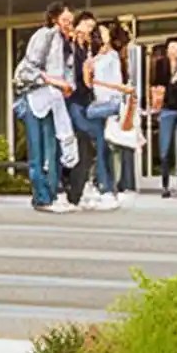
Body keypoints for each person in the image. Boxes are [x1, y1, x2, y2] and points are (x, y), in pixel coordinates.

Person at [13, 2, 79, 213]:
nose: (69, 24)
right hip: (36, 99)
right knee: (38, 153)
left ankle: (51, 195)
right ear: (54, 19)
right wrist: (56, 82)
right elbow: (29, 69)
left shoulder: (67, 42)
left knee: (53, 150)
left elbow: (68, 74)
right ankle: (42, 198)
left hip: (54, 102)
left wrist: (68, 86)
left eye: (71, 21)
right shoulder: (45, 36)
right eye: (65, 20)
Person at [67, 11, 116, 210]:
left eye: (91, 27)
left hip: (87, 102)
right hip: (75, 102)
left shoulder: (88, 49)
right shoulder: (71, 47)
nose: (89, 30)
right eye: (86, 25)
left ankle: (84, 189)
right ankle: (98, 187)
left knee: (89, 145)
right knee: (93, 138)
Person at [89, 22, 139, 202]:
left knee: (107, 146)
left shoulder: (112, 56)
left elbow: (115, 82)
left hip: (108, 104)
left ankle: (107, 186)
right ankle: (104, 184)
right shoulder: (95, 57)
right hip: (99, 104)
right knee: (103, 146)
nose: (102, 35)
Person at [155, 36, 177, 199]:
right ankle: (165, 185)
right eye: (170, 47)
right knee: (164, 149)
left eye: (175, 47)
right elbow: (155, 84)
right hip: (167, 109)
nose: (172, 50)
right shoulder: (161, 64)